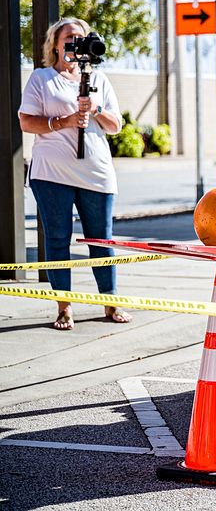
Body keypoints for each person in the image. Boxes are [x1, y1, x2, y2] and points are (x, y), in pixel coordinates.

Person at [18, 18, 129, 330]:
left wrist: (94, 109)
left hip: (96, 172)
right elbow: (27, 122)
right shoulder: (41, 79)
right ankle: (64, 307)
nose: (74, 43)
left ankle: (110, 301)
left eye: (80, 37)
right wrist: (63, 121)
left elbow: (115, 126)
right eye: (68, 37)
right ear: (54, 43)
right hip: (51, 172)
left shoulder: (99, 79)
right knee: (57, 239)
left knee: (101, 239)